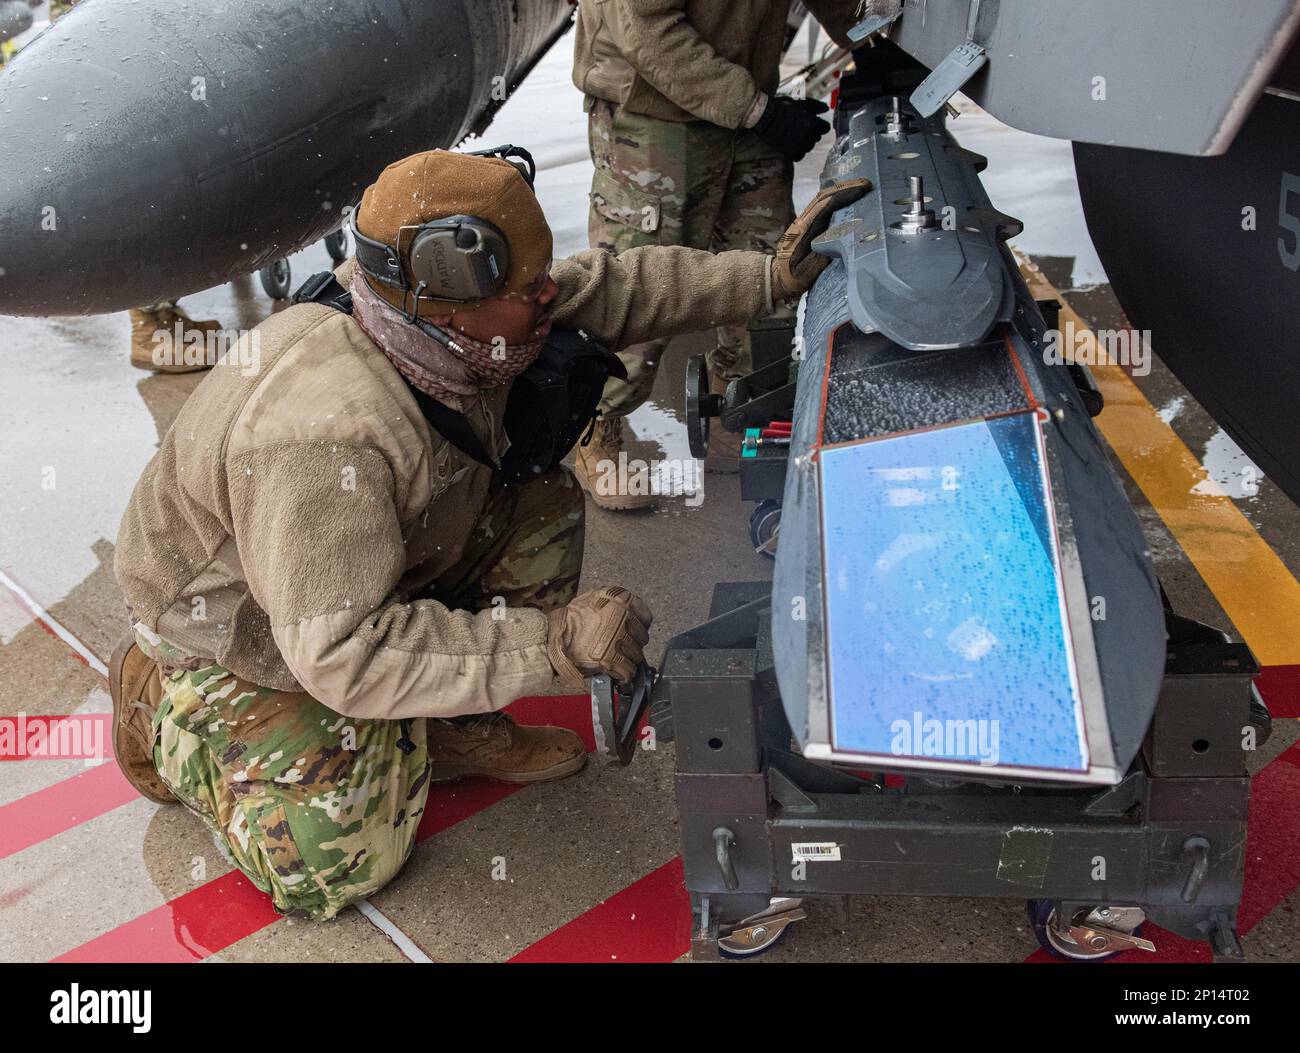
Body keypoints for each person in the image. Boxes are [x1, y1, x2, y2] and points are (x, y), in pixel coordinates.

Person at [108, 146, 868, 920]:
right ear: (446, 307)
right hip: (245, 629)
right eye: (526, 288)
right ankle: (162, 712)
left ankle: (449, 726)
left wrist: (767, 277)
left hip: (335, 575)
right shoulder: (321, 435)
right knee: (338, 859)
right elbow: (340, 652)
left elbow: (613, 289)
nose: (548, 293)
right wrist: (549, 645)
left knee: (539, 497)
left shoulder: (448, 315)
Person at [570, 0, 861, 504]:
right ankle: (596, 428)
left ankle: (737, 414)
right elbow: (648, 30)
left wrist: (870, 40)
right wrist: (759, 111)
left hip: (741, 98)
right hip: (653, 109)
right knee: (644, 276)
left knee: (773, 266)